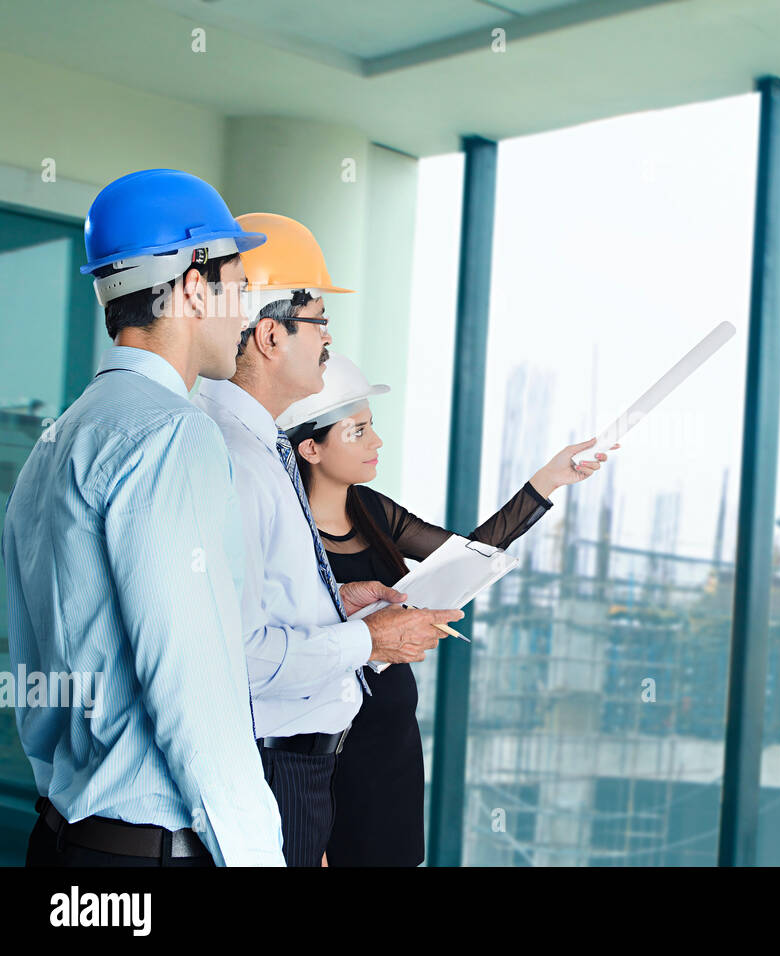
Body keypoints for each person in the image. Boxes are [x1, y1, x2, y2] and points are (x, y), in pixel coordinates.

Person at [2, 168, 285, 866]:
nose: (246, 311)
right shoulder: (172, 435)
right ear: (193, 285)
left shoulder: (58, 439)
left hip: (67, 835)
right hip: (149, 851)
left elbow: (31, 669)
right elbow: (195, 685)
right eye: (238, 284)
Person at [192, 212, 459, 867]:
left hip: (302, 772)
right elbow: (231, 655)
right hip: (272, 767)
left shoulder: (259, 454)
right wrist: (371, 639)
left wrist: (333, 602)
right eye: (319, 322)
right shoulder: (234, 461)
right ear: (270, 334)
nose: (329, 340)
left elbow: (250, 606)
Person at [278, 352, 616, 865]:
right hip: (320, 756)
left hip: (392, 745)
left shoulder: (372, 510)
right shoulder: (284, 535)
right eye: (359, 431)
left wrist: (547, 482)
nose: (377, 442)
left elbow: (468, 558)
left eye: (374, 428)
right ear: (311, 448)